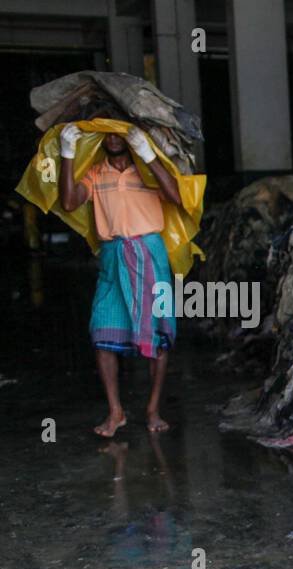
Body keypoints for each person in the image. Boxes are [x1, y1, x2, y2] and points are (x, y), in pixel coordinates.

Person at [59, 124, 183, 435]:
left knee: (159, 334)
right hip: (113, 255)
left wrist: (148, 154)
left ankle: (153, 409)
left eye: (120, 133)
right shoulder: (95, 172)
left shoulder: (148, 169)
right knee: (101, 331)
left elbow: (177, 196)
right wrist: (67, 155)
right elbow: (69, 202)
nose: (114, 139)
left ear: (131, 136)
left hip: (150, 256)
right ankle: (115, 412)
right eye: (108, 133)